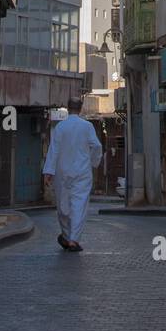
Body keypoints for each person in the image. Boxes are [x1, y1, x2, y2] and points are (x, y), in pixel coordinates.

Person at [42, 97, 102, 252]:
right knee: (79, 205)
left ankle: (67, 236)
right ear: (81, 108)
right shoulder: (87, 126)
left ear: (68, 108)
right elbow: (96, 146)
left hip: (63, 171)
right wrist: (93, 162)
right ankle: (73, 239)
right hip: (82, 171)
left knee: (63, 206)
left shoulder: (60, 127)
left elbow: (53, 150)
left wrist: (49, 171)